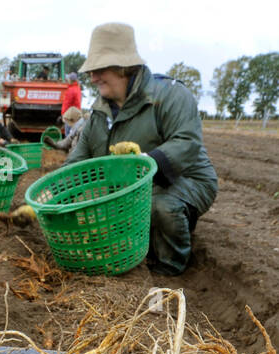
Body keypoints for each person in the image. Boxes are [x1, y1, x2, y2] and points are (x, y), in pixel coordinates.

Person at [67, 22, 217, 275]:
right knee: (116, 220)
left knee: (159, 206)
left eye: (100, 69)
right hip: (135, 189)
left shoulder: (169, 95)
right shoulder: (98, 114)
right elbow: (77, 164)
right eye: (91, 71)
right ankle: (149, 232)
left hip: (188, 179)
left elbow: (187, 143)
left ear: (124, 67)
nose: (92, 78)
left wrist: (143, 162)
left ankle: (170, 267)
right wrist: (44, 200)